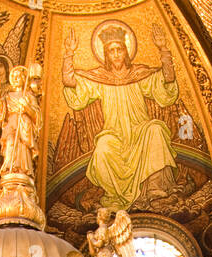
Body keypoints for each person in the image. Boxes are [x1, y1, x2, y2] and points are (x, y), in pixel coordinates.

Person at [62, 22, 179, 208]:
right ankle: (115, 194)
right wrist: (69, 53)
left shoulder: (139, 74)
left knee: (155, 129)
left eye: (119, 49)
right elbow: (69, 82)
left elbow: (168, 80)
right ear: (105, 55)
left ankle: (154, 189)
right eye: (111, 51)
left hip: (140, 130)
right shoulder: (100, 79)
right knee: (102, 147)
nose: (116, 54)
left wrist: (163, 48)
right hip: (114, 134)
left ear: (126, 52)